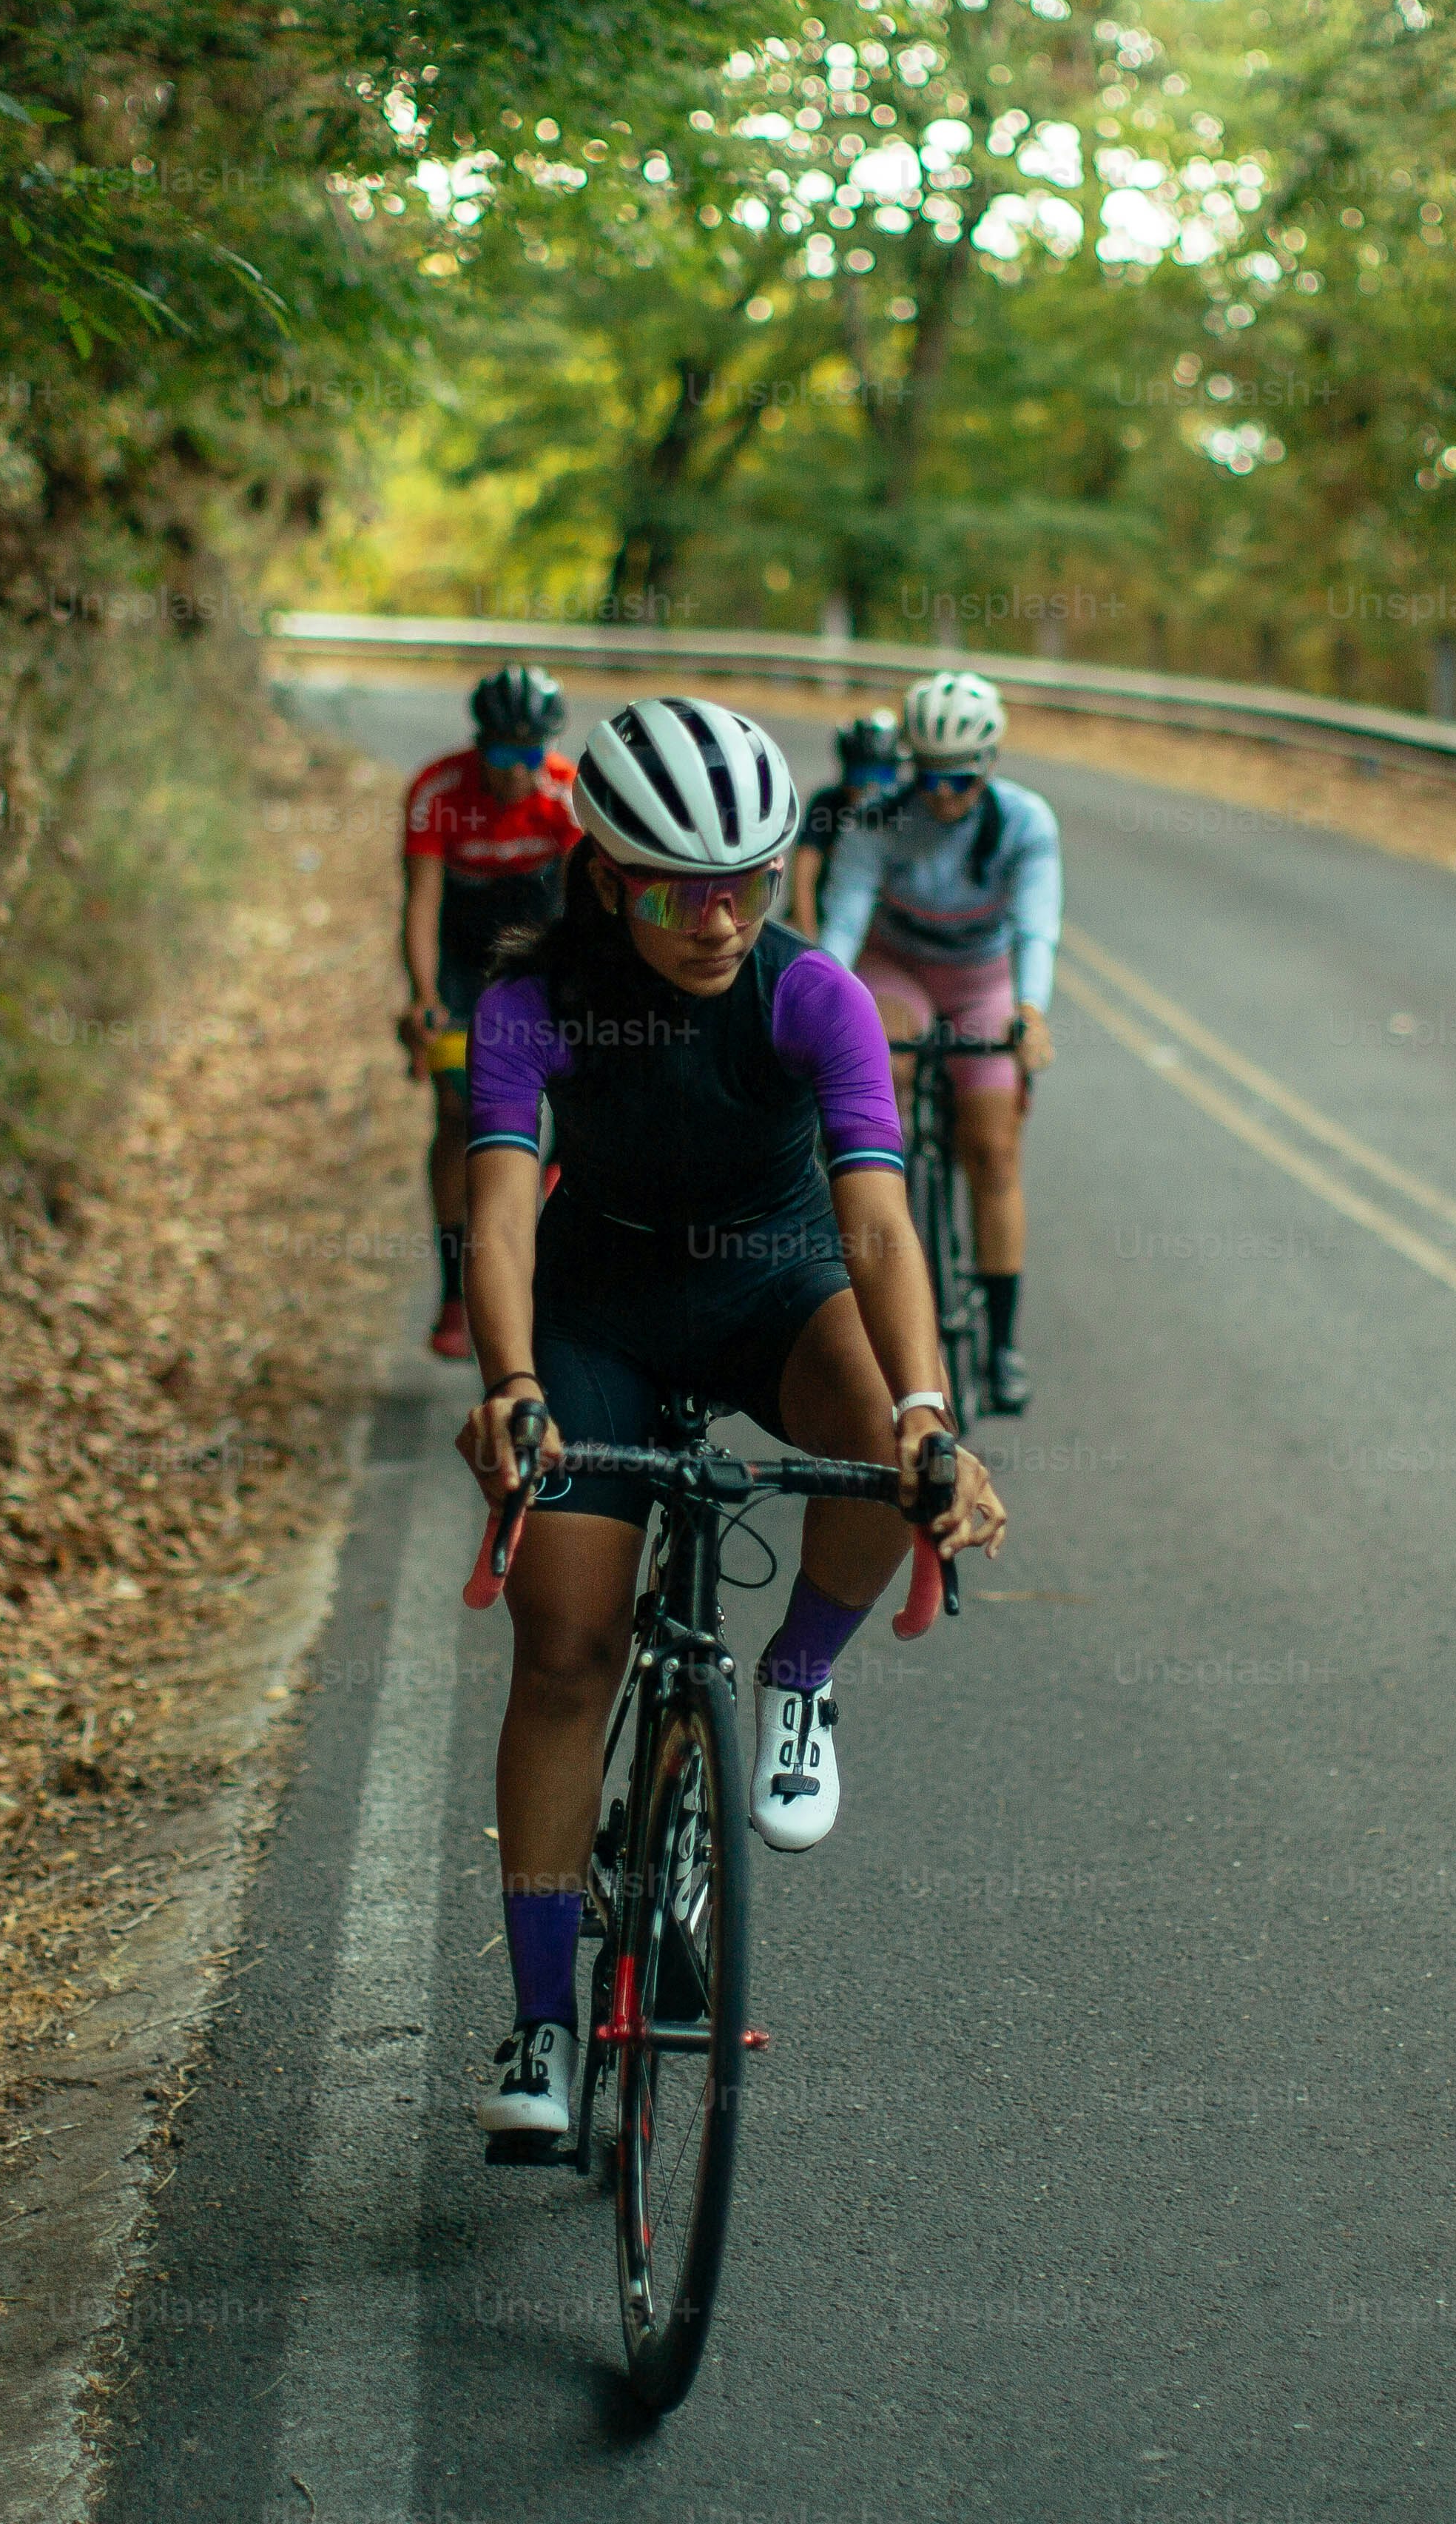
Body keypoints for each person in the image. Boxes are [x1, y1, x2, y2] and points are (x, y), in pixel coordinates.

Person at [451, 695, 1007, 2150]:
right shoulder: (531, 1002)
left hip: (777, 1280)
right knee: (565, 1650)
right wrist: (510, 1384)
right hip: (599, 1310)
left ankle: (801, 1674)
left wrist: (932, 1414)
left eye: (748, 885)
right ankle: (539, 2023)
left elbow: (877, 1221)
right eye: (675, 892)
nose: (717, 921)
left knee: (885, 1443)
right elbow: (500, 1217)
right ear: (603, 879)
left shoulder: (812, 992)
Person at [813, 669, 1059, 1415]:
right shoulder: (876, 820)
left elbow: (1036, 927)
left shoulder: (1025, 821)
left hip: (983, 978)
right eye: (929, 776)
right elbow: (844, 923)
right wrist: (824, 1007)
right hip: (899, 968)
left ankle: (1003, 1344)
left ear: (989, 764)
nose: (944, 795)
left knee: (994, 1151)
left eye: (960, 778)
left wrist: (1030, 1013)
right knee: (882, 1066)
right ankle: (889, 1232)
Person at [398, 667, 576, 1357]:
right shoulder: (437, 790)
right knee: (456, 1113)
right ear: (479, 746)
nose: (517, 771)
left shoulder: (566, 792)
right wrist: (424, 996)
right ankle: (455, 1290)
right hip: (462, 963)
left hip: (539, 951)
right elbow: (421, 904)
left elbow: (584, 906)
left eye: (532, 753)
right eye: (503, 754)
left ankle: (558, 1176)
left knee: (582, 1073)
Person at [783, 709, 901, 938]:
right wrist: (811, 942)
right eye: (859, 776)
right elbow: (803, 879)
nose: (871, 788)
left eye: (882, 776)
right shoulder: (827, 804)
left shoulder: (906, 807)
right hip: (826, 918)